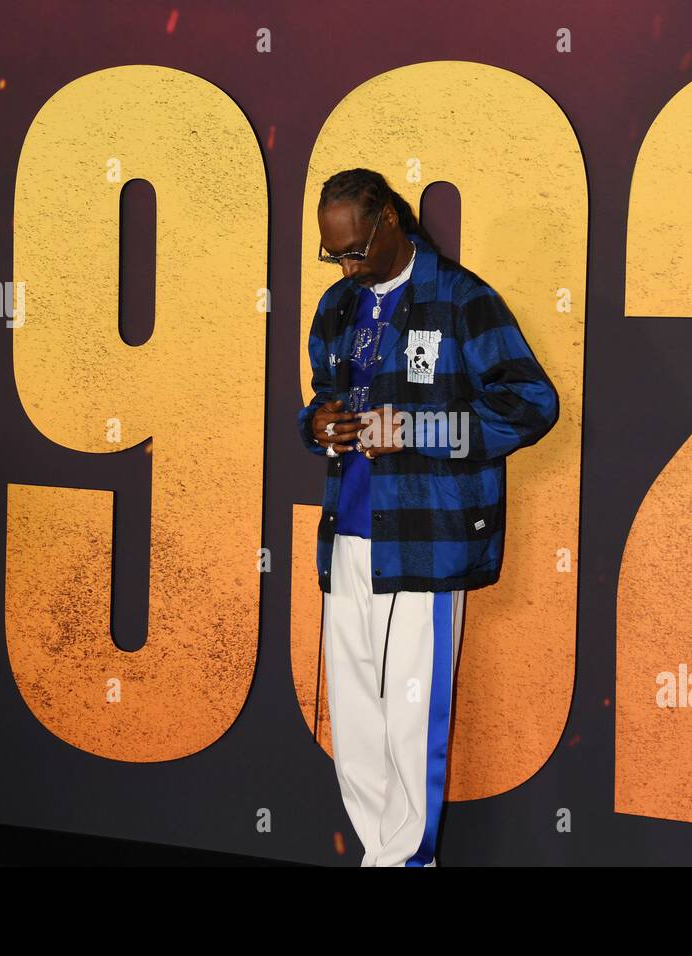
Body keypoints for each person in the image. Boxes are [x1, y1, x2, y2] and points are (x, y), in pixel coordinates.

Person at [298, 168, 559, 866]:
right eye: (335, 255)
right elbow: (324, 400)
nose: (347, 265)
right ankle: (378, 858)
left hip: (425, 543)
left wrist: (415, 429)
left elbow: (531, 405)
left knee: (411, 723)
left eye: (355, 249)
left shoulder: (462, 299)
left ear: (389, 220)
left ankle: (408, 861)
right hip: (348, 538)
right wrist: (317, 424)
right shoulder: (335, 307)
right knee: (354, 725)